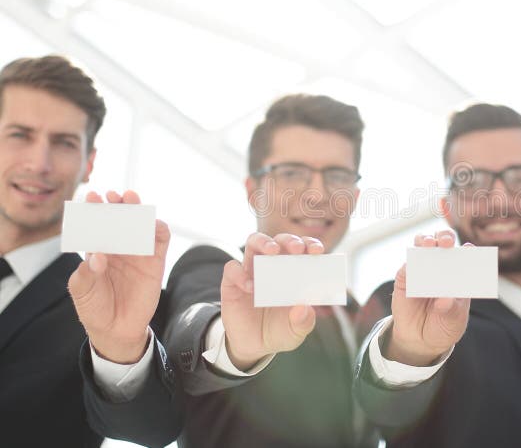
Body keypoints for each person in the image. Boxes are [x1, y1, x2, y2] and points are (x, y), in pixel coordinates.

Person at [82, 94, 379, 448]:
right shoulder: (214, 266)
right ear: (254, 191)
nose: (317, 194)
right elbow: (191, 329)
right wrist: (234, 342)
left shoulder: (357, 313)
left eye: (337, 175)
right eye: (292, 173)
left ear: (355, 196)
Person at [354, 103, 521, 448]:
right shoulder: (415, 304)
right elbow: (382, 407)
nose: (499, 199)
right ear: (447, 207)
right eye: (473, 182)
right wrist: (410, 350)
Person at [0, 55, 107, 447]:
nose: (39, 163)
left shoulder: (98, 312)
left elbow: (146, 422)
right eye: (20, 135)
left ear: (88, 163)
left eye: (63, 143)